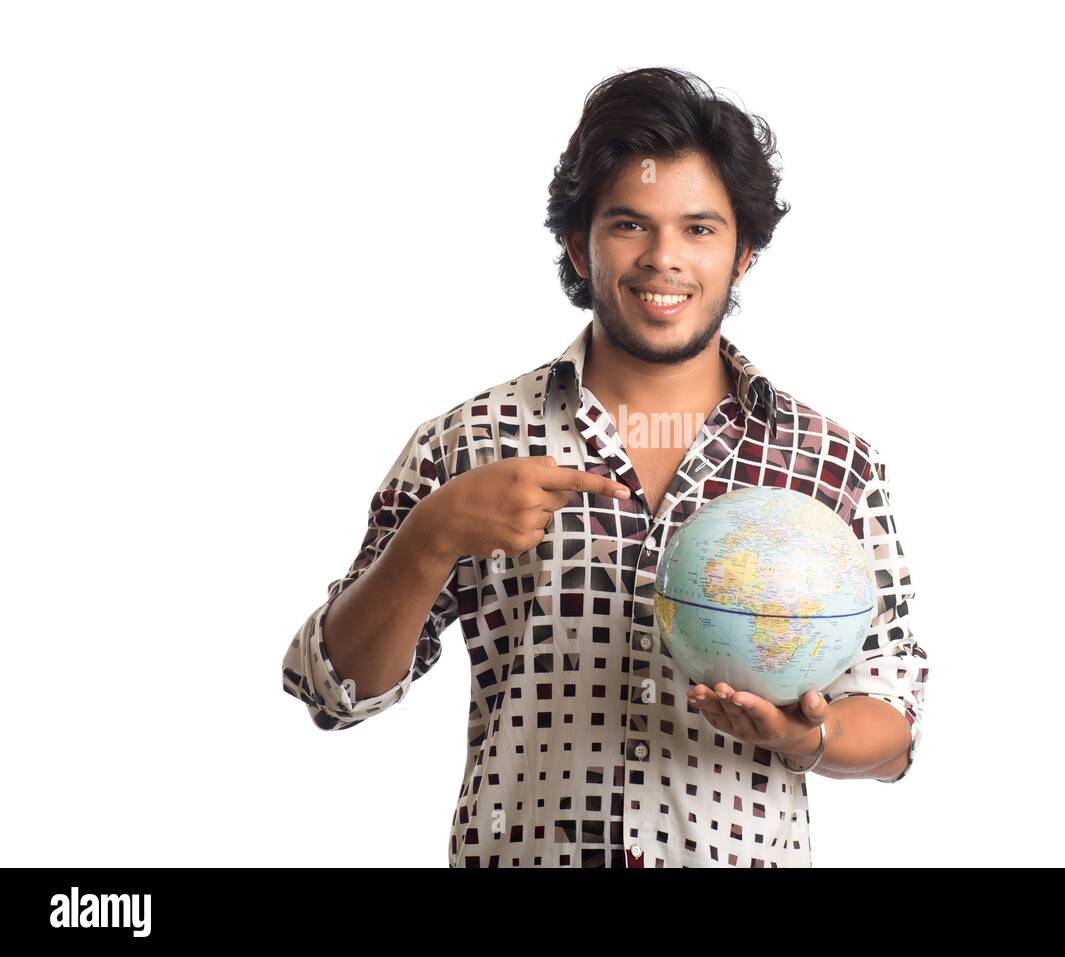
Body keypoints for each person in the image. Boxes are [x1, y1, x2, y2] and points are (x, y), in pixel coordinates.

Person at [281, 67, 929, 868]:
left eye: (699, 229)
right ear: (577, 245)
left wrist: (810, 736)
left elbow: (894, 724)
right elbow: (331, 688)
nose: (664, 259)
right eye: (630, 224)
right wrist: (434, 532)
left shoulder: (833, 461)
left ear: (745, 253)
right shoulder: (470, 441)